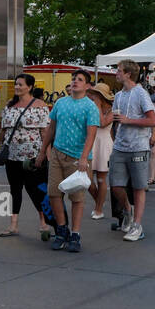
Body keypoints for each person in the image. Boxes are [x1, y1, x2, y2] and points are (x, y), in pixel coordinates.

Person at [39, 69, 100, 253]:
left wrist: (84, 158)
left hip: (77, 158)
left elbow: (91, 134)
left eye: (80, 80)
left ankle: (75, 234)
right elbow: (51, 128)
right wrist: (43, 151)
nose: (75, 82)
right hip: (57, 154)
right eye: (74, 79)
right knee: (54, 193)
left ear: (87, 86)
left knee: (77, 198)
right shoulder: (60, 103)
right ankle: (61, 229)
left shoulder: (90, 107)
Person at [0, 74, 52, 240]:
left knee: (36, 190)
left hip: (33, 157)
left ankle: (43, 222)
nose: (17, 87)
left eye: (20, 84)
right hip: (12, 156)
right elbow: (4, 129)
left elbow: (45, 132)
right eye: (16, 84)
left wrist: (46, 155)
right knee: (15, 189)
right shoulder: (10, 105)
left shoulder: (40, 106)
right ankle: (13, 224)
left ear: (30, 87)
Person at [109, 60, 155, 242]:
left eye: (119, 70)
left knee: (139, 187)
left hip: (138, 147)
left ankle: (137, 225)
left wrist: (128, 120)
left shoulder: (141, 93)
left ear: (128, 74)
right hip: (120, 147)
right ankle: (127, 211)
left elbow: (153, 121)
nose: (116, 73)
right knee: (115, 185)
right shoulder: (119, 95)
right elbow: (115, 119)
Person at [86, 83, 114, 221]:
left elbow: (102, 123)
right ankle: (100, 201)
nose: (93, 97)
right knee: (87, 179)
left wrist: (97, 105)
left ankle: (99, 209)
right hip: (91, 142)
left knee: (101, 179)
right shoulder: (91, 107)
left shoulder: (113, 110)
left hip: (104, 144)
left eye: (96, 94)